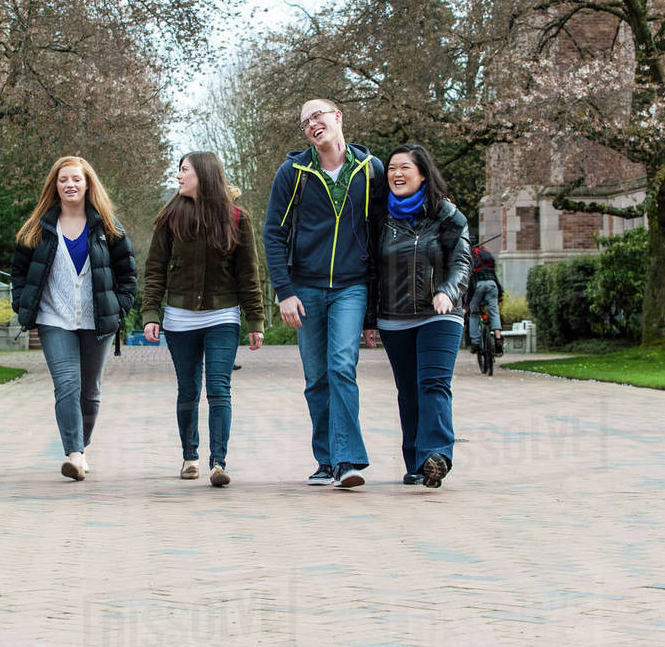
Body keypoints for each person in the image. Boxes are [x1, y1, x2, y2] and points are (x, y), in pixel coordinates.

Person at [263, 99, 385, 489]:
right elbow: (273, 234)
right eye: (304, 122)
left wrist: (373, 313)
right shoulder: (293, 173)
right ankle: (325, 459)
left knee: (341, 367)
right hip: (306, 288)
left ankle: (348, 459)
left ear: (338, 118)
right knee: (316, 377)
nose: (312, 124)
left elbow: (381, 234)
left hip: (352, 287)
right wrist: (284, 291)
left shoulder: (371, 170)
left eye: (318, 115)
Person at [141, 152, 264, 488]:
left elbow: (248, 275)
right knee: (188, 390)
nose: (179, 177)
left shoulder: (237, 218)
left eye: (184, 171)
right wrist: (151, 313)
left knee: (219, 388)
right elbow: (154, 269)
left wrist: (255, 321)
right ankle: (189, 457)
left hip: (223, 315)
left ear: (204, 175)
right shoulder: (170, 217)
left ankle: (218, 462)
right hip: (179, 319)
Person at [11, 156, 137, 482]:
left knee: (89, 391)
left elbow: (128, 275)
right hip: (54, 319)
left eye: (76, 179)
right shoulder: (38, 229)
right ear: (55, 185)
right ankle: (74, 454)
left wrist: (118, 308)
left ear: (87, 184)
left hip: (97, 321)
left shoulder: (108, 228)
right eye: (63, 179)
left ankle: (82, 446)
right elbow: (20, 274)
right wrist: (22, 304)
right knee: (67, 384)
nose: (70, 185)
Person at [372, 143, 471, 489]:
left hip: (439, 314)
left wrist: (448, 290)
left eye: (405, 168)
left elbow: (462, 260)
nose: (397, 174)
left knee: (434, 384)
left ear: (423, 174)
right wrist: (371, 319)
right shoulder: (380, 216)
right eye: (392, 168)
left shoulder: (446, 214)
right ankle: (417, 462)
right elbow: (370, 268)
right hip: (394, 318)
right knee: (408, 391)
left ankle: (438, 455)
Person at [466, 245, 504, 356]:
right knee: (494, 312)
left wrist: (467, 303)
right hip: (492, 284)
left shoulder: (470, 259)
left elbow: (468, 283)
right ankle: (498, 338)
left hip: (477, 285)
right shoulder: (488, 262)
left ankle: (475, 342)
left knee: (474, 313)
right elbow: (496, 280)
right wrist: (500, 295)